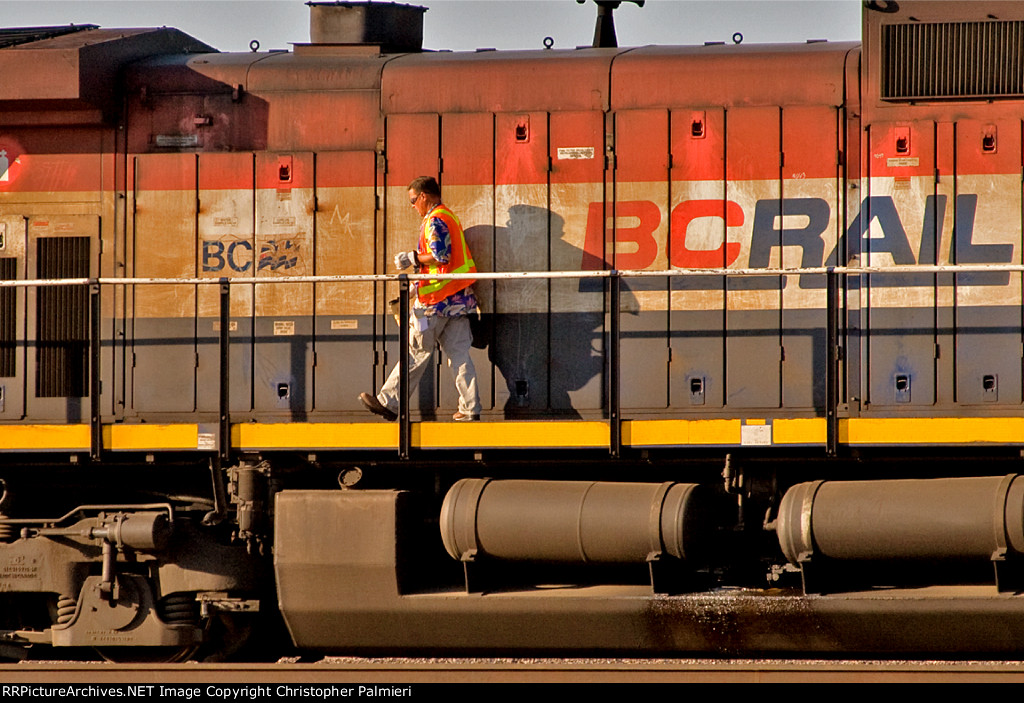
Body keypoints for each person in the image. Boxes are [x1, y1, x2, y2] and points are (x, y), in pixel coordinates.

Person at [360, 176, 482, 422]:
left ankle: (389, 403)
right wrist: (417, 285)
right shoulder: (450, 216)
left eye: (413, 200)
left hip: (435, 303)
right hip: (458, 301)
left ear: (424, 196)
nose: (412, 206)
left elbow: (441, 256)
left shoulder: (435, 220)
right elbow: (450, 266)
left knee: (416, 352)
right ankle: (470, 410)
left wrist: (412, 258)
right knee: (459, 356)